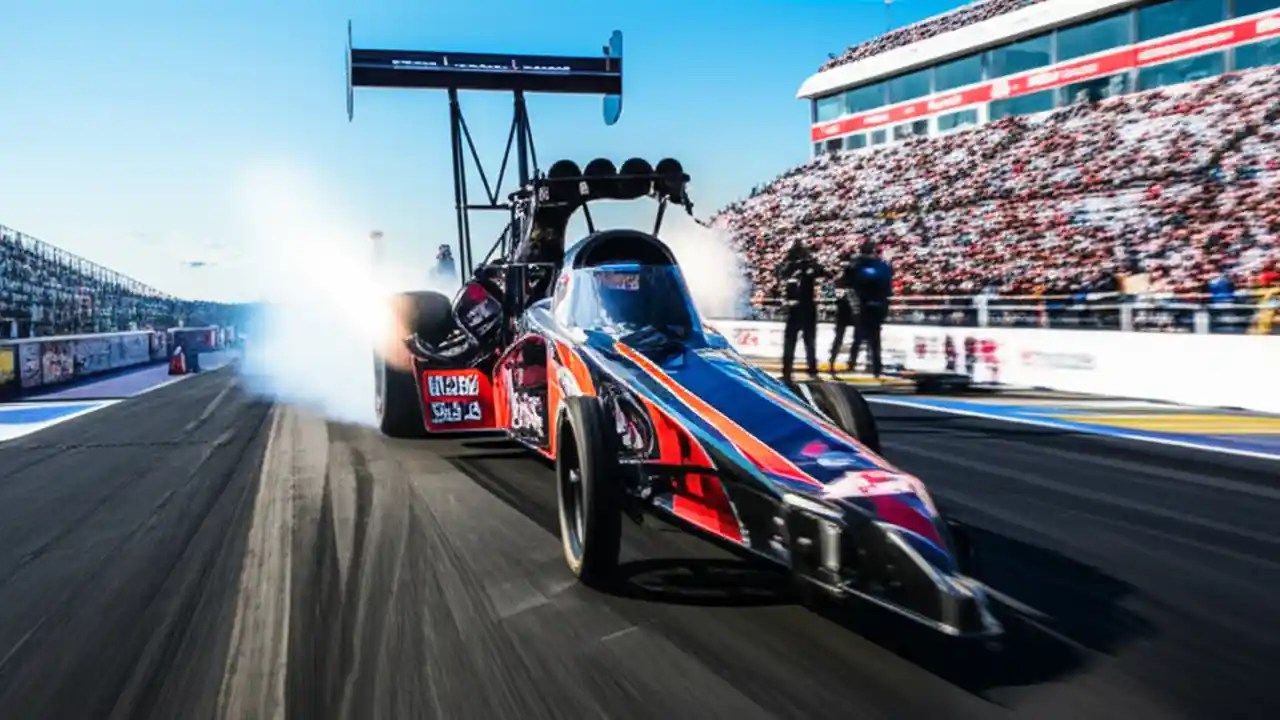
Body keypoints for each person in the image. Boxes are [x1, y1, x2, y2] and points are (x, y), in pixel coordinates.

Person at [776, 239, 824, 382]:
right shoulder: (790, 267)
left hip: (802, 307)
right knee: (803, 341)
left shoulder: (807, 266)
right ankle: (794, 371)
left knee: (803, 341)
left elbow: (822, 272)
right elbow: (780, 273)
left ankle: (802, 370)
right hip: (801, 308)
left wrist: (806, 265)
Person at [848, 240, 893, 378]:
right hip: (878, 305)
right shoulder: (882, 266)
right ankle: (876, 368)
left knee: (859, 336)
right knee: (875, 339)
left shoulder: (858, 265)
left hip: (865, 304)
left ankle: (852, 364)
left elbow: (850, 281)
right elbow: (888, 287)